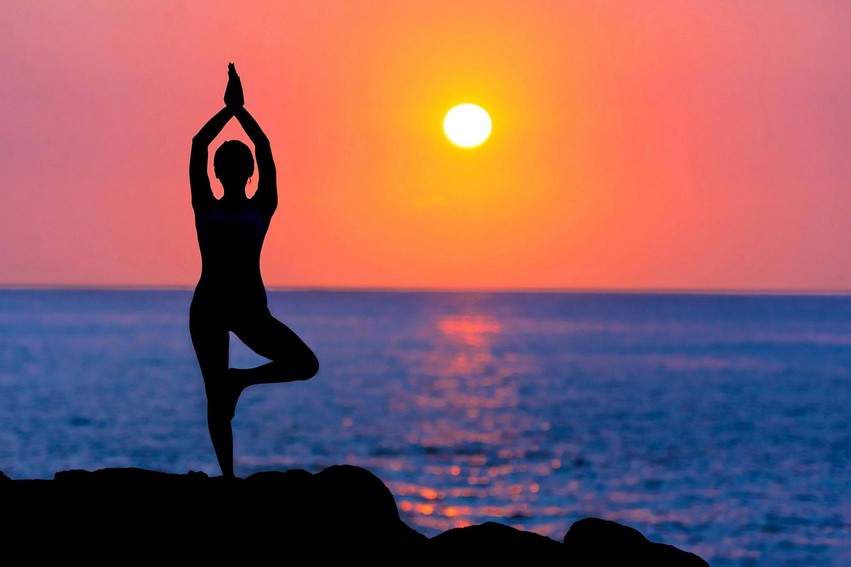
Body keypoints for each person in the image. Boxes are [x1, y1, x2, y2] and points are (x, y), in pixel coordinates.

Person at [189, 63, 319, 478]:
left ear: (228, 172)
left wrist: (229, 110)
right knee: (293, 367)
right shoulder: (255, 207)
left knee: (292, 367)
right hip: (217, 308)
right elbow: (259, 146)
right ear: (246, 172)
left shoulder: (215, 207)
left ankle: (239, 385)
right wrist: (239, 109)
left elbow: (200, 144)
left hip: (238, 309)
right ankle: (228, 477)